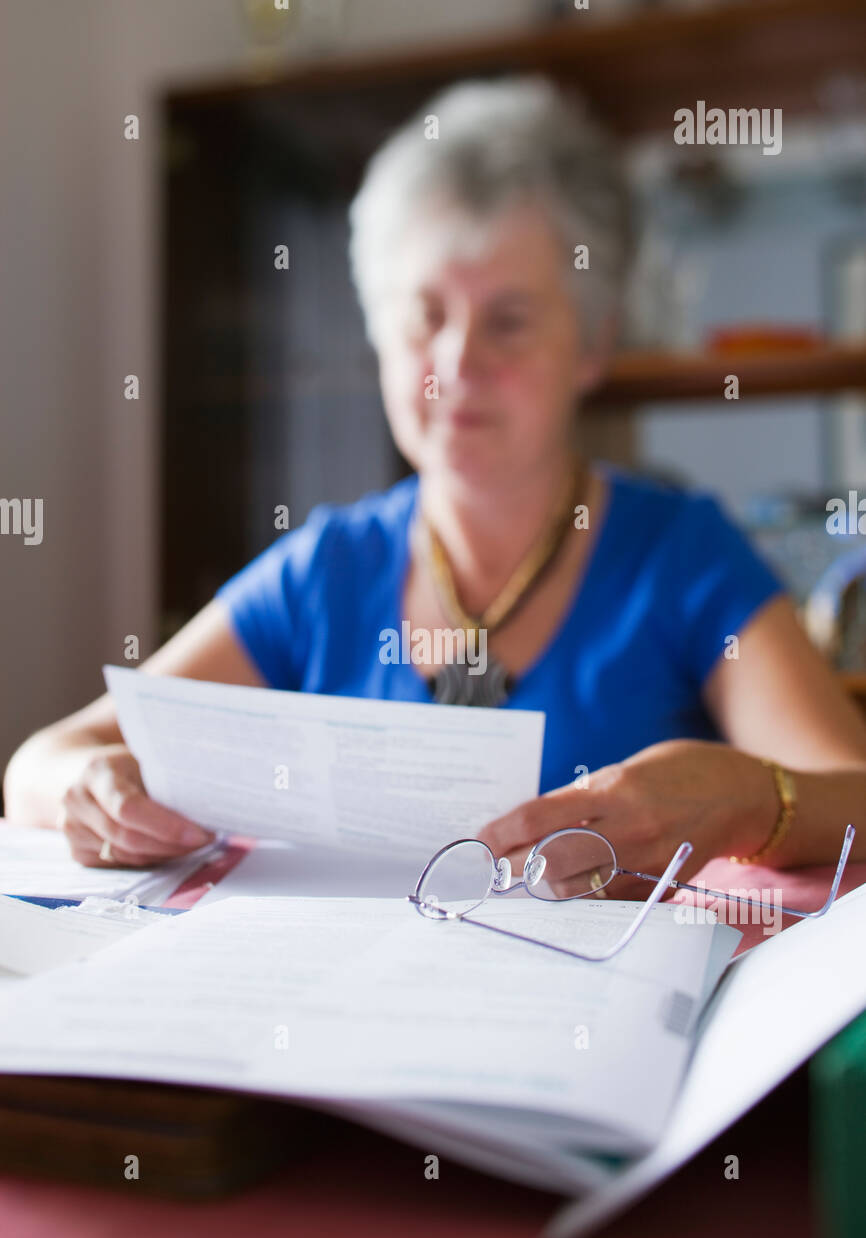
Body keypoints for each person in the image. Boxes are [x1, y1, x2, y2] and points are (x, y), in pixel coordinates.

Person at [5, 75, 866, 896]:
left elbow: (853, 793)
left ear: (595, 344)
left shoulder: (680, 556)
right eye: (424, 316)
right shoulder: (324, 571)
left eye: (509, 320)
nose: (455, 363)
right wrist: (89, 787)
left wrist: (753, 797)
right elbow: (40, 764)